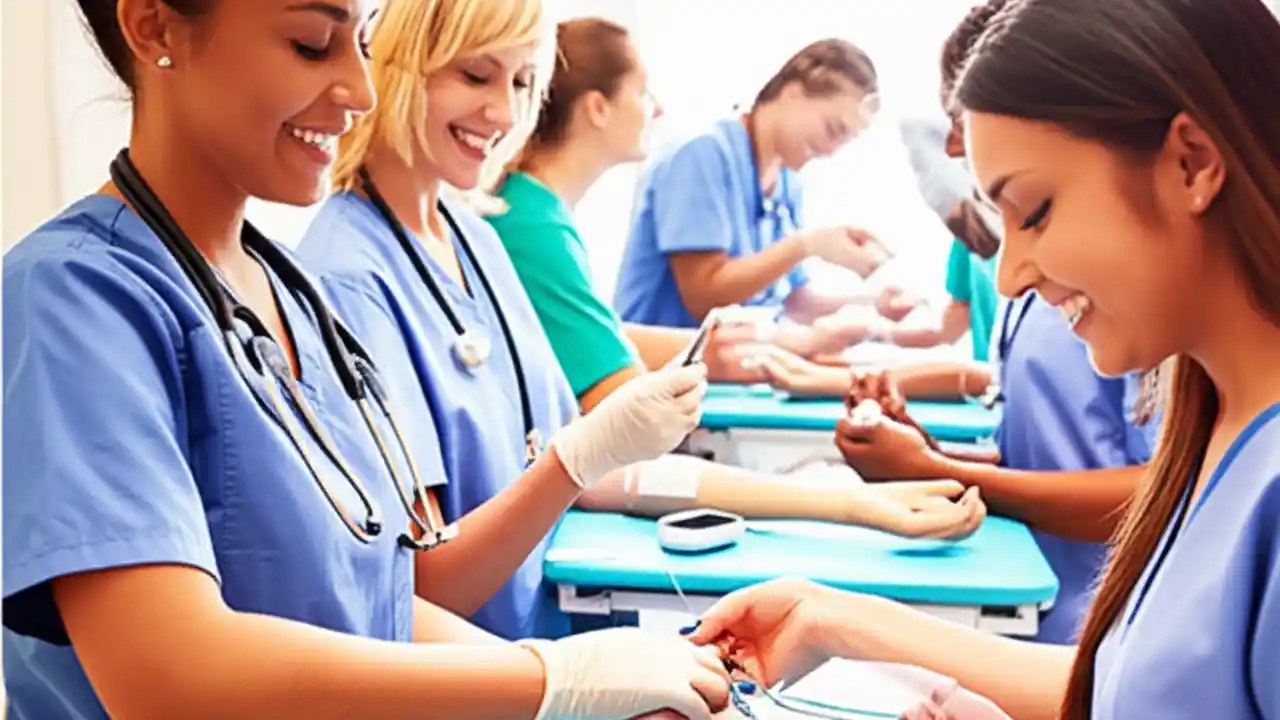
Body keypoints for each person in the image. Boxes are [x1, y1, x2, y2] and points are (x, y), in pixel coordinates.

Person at [2, 1, 732, 718]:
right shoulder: (75, 298)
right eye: (313, 44)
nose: (362, 91)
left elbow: (383, 599)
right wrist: (549, 681)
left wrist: (592, 683)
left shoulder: (295, 297)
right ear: (154, 26)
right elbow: (170, 674)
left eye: (362, 42)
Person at [298, 3, 985, 646]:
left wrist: (850, 510)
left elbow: (595, 473)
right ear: (388, 65)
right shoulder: (352, 281)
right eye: (474, 75)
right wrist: (568, 676)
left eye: (523, 82)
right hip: (482, 667)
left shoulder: (474, 237)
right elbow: (420, 589)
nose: (502, 110)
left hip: (542, 626)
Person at [691, 0, 1280, 718]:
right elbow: (1134, 691)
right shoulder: (1219, 428)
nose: (1009, 276)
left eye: (1034, 211)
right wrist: (830, 620)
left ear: (1192, 164)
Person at [487, 15, 985, 536]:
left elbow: (580, 340)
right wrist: (844, 503)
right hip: (628, 448)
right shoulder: (538, 225)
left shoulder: (537, 217)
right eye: (643, 92)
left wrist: (854, 319)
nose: (657, 109)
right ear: (596, 107)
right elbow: (632, 435)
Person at [612, 37, 909, 356]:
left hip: (729, 372)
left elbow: (792, 300)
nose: (830, 151)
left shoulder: (787, 181)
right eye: (832, 129)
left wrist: (871, 303)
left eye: (845, 141)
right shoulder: (701, 154)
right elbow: (705, 298)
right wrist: (807, 245)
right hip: (659, 375)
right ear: (792, 94)